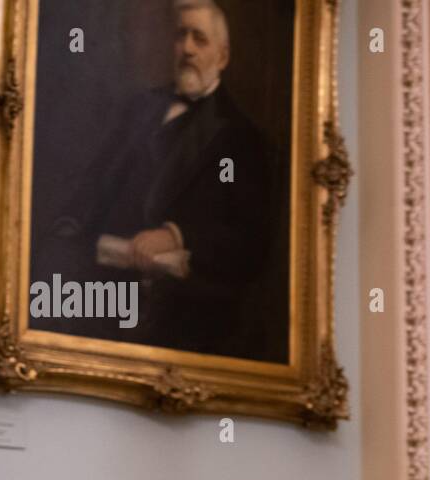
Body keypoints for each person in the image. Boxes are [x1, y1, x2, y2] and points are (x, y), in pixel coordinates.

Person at [42, 0, 275, 359]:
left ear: (223, 56)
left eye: (200, 39)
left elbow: (250, 242)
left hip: (185, 315)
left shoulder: (243, 138)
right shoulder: (141, 108)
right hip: (104, 293)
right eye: (181, 36)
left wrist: (175, 235)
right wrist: (69, 227)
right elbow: (96, 186)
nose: (187, 48)